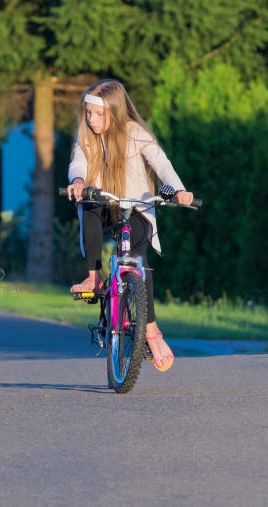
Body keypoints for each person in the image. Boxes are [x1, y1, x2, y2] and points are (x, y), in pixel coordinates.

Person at [65, 79, 194, 373]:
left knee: (138, 259)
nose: (92, 120)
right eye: (88, 113)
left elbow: (162, 166)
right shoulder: (85, 136)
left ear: (115, 111)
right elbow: (78, 163)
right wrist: (78, 182)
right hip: (104, 203)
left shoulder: (136, 134)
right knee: (88, 205)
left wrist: (178, 190)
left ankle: (150, 331)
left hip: (135, 206)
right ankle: (94, 276)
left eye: (99, 114)